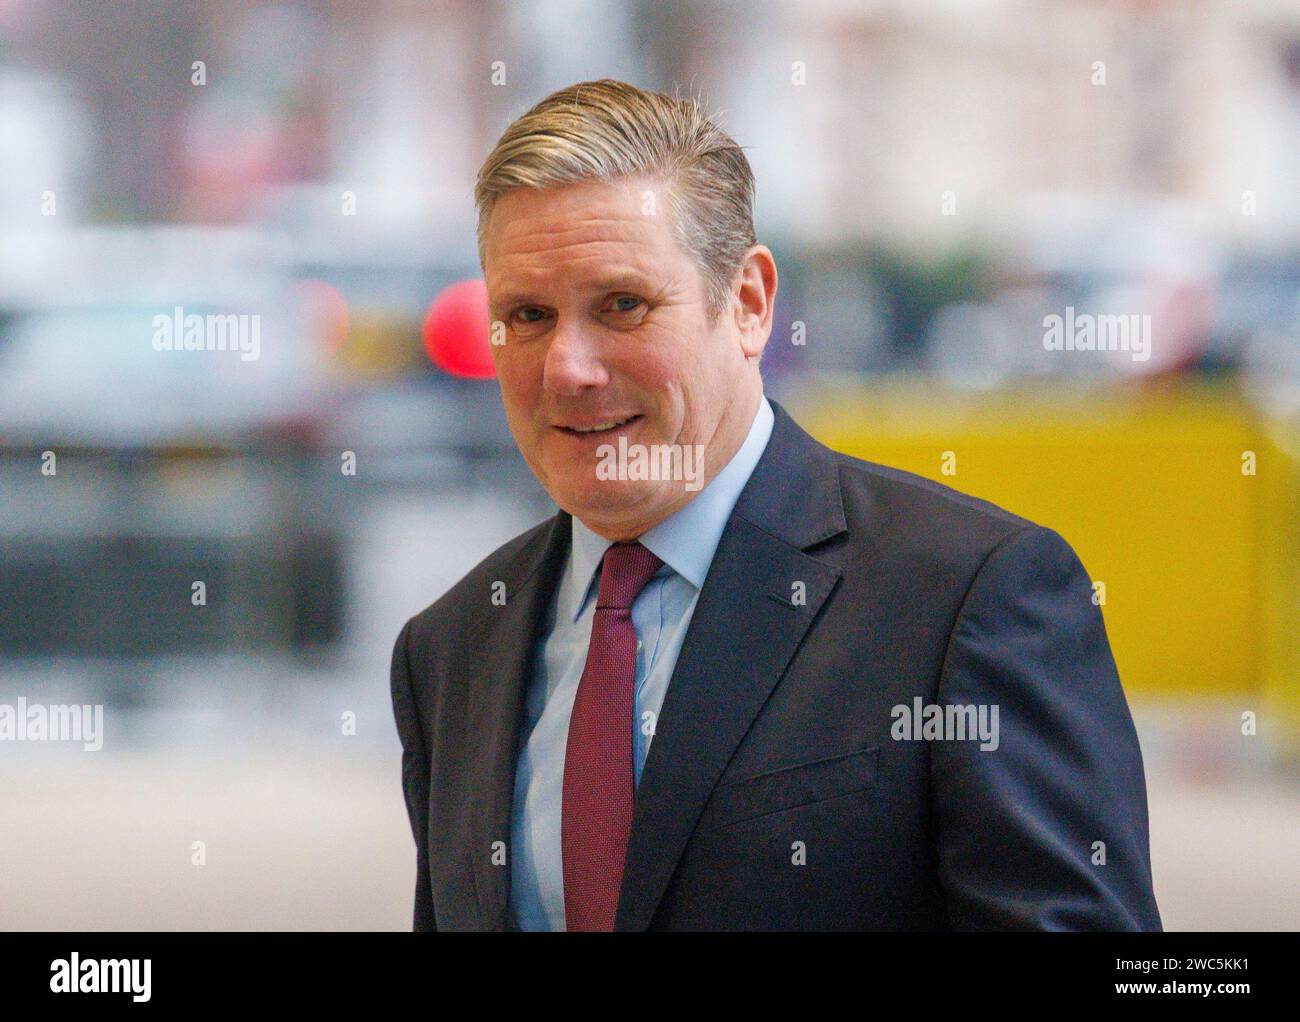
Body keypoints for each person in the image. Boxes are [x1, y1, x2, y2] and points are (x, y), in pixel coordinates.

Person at [389, 79, 1162, 931]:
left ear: (750, 304)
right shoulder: (451, 648)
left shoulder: (967, 600)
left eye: (623, 305)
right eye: (528, 315)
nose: (569, 368)